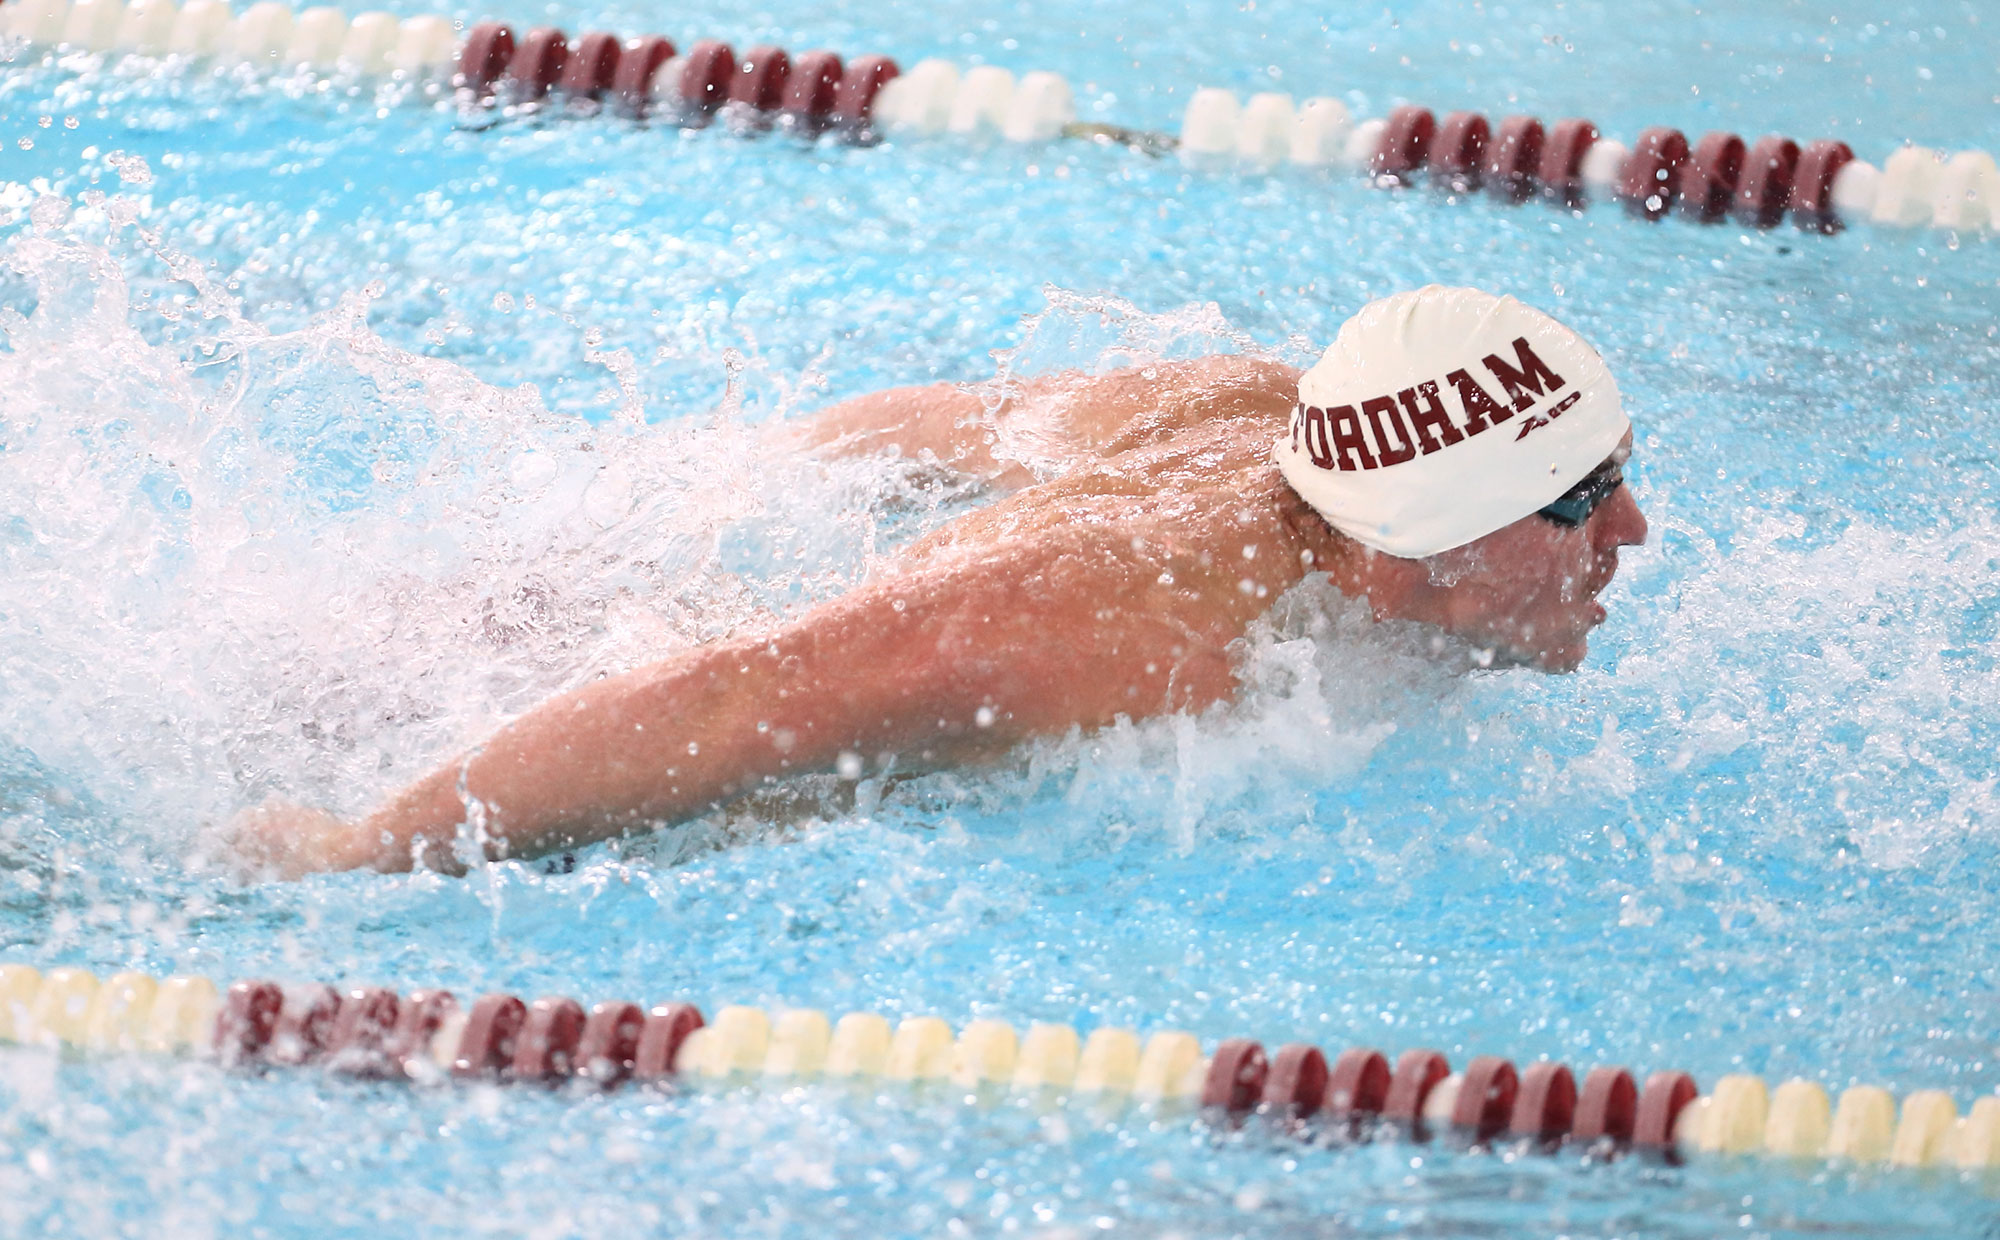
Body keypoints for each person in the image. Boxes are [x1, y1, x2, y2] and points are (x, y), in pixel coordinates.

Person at [227, 285, 1648, 878]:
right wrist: (360, 854)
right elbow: (727, 701)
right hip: (603, 692)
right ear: (1422, 552)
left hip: (760, 623)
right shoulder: (1126, 646)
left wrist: (735, 496)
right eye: (1580, 501)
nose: (1633, 533)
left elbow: (940, 424)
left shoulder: (1264, 412)